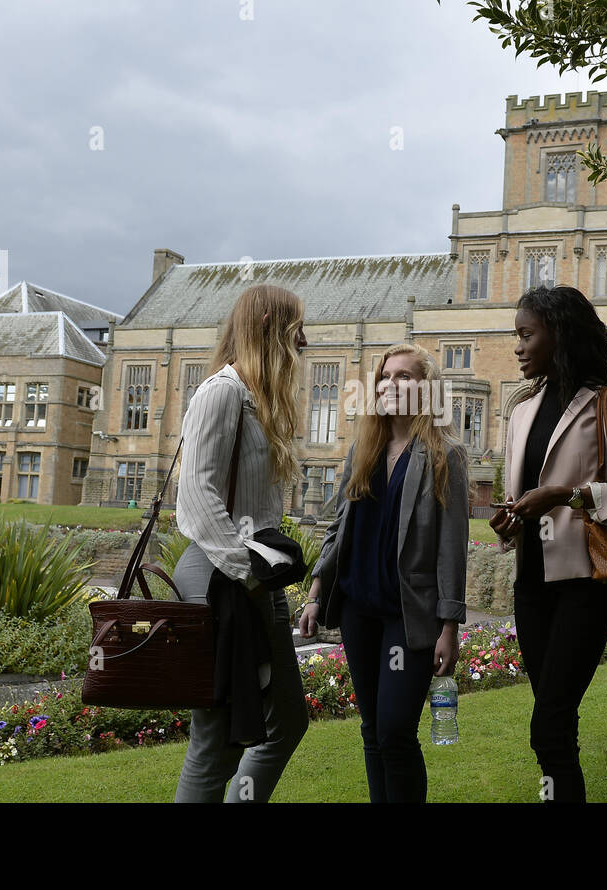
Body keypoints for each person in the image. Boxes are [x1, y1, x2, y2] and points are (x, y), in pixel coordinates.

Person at [490, 284, 607, 803]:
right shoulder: (521, 411)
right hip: (531, 585)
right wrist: (513, 520)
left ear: (559, 334)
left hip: (585, 583)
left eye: (526, 334)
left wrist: (567, 495)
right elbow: (519, 495)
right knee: (555, 725)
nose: (518, 347)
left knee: (549, 723)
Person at [299, 343, 468, 802]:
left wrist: (449, 625)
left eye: (405, 377)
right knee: (372, 731)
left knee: (395, 732)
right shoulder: (364, 449)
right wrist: (316, 591)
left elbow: (452, 548)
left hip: (407, 614)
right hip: (358, 610)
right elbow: (339, 527)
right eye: (386, 377)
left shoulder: (444, 454)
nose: (392, 385)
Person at [172, 284, 310, 803]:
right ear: (270, 327)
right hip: (219, 575)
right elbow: (197, 494)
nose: (304, 339)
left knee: (286, 722)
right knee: (214, 739)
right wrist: (246, 571)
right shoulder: (221, 392)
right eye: (296, 325)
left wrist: (261, 573)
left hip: (251, 576)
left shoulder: (258, 401)